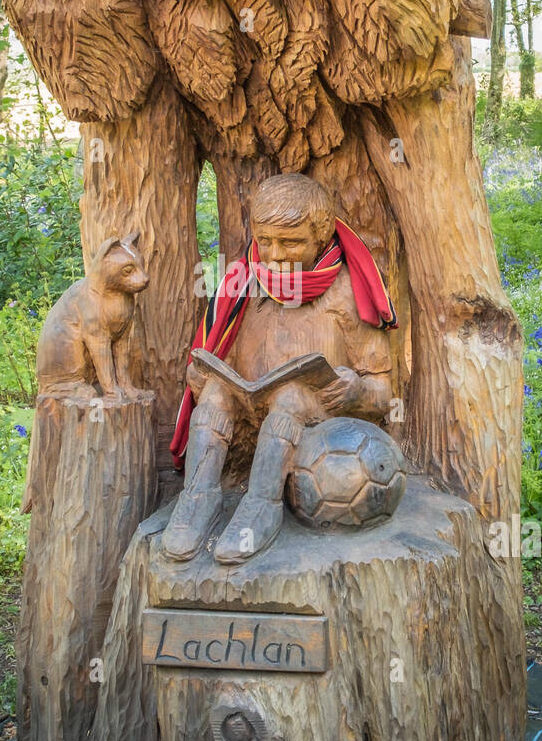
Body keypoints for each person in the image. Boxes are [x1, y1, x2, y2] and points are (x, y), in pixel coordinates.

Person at [163, 173, 396, 564]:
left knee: (289, 396)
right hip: (247, 416)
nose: (272, 255)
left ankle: (261, 506)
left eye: (291, 243)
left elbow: (383, 392)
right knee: (217, 394)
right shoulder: (243, 283)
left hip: (312, 422)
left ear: (320, 236)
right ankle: (198, 499)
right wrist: (201, 376)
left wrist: (356, 391)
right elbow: (216, 348)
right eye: (265, 240)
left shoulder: (346, 292)